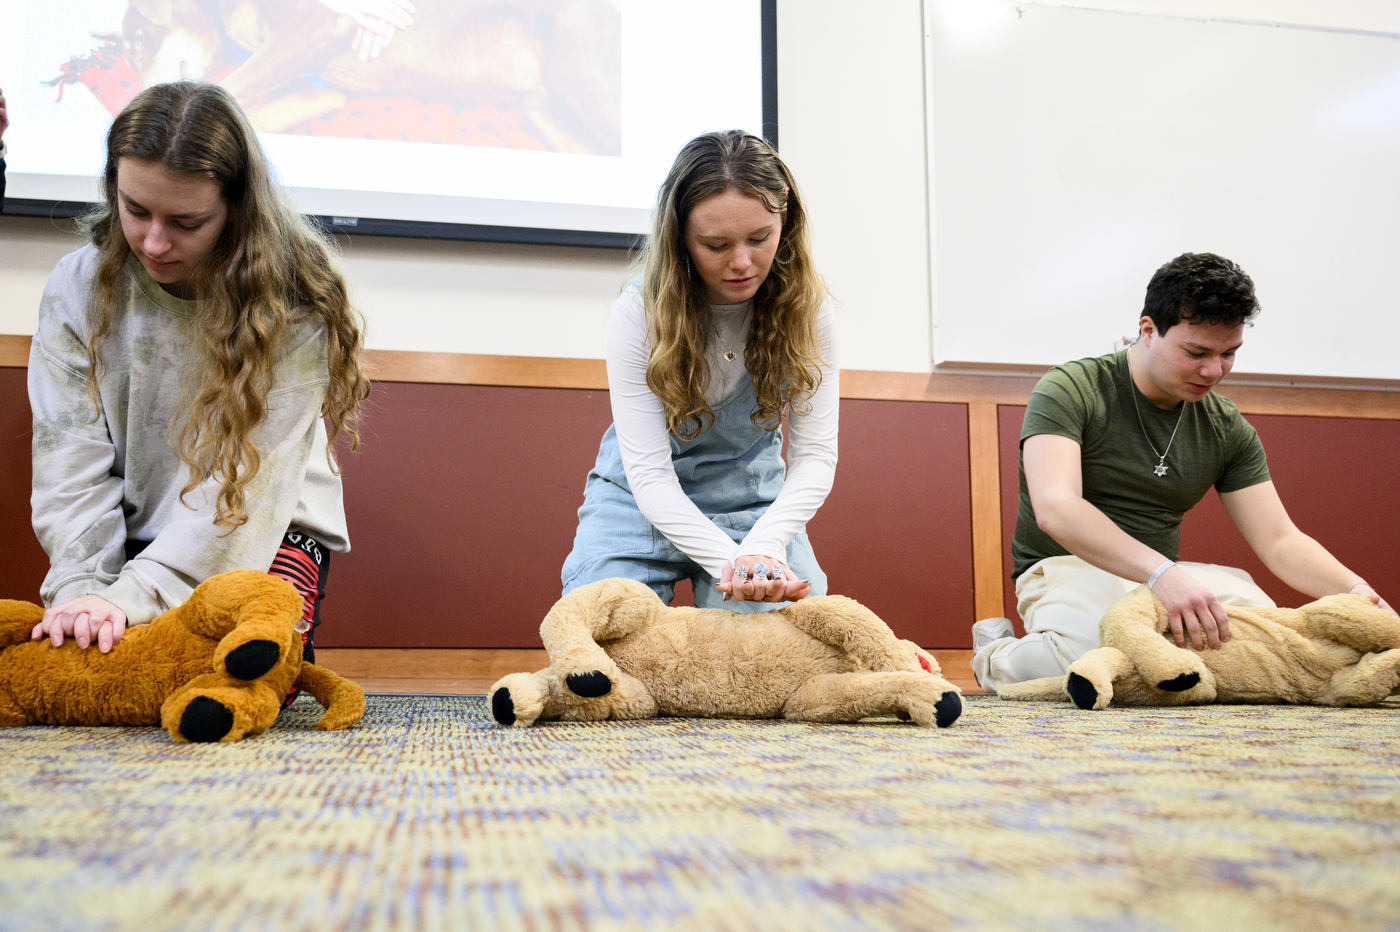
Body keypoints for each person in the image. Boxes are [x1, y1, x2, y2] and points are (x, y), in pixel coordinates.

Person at [28, 82, 370, 702]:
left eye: (186, 222)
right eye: (136, 210)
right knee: (91, 674)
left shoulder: (294, 303)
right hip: (128, 539)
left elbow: (245, 491)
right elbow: (67, 461)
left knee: (233, 674)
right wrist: (86, 592)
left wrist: (137, 600)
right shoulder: (76, 286)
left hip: (261, 529)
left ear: (236, 209)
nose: (154, 242)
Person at [973, 252, 1393, 691]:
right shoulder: (1070, 388)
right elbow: (1056, 508)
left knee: (1266, 641)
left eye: (1229, 354)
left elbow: (1279, 539)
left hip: (1158, 580)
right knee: (1091, 652)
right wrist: (1162, 574)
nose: (1214, 371)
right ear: (1148, 330)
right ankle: (993, 654)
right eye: (1196, 352)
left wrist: (1356, 590)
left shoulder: (1225, 425)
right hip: (1066, 566)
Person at [561, 130, 838, 610]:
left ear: (785, 225)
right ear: (682, 240)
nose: (742, 262)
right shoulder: (638, 313)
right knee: (602, 636)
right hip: (637, 503)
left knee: (780, 657)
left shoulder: (810, 312)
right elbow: (649, 476)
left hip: (753, 505)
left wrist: (763, 548)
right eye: (715, 244)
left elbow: (815, 457)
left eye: (760, 238)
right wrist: (730, 565)